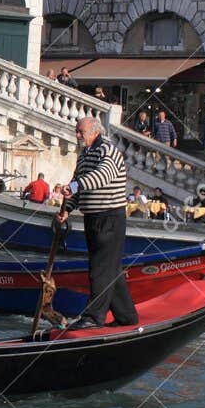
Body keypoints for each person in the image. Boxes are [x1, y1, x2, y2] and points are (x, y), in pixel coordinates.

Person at [64, 116, 138, 330]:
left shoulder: (108, 150)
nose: (77, 135)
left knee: (99, 269)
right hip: (93, 217)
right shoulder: (85, 154)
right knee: (110, 270)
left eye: (80, 132)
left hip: (109, 217)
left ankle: (94, 317)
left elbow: (102, 176)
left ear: (95, 132)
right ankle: (127, 316)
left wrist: (76, 187)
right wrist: (67, 209)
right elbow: (75, 184)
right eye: (77, 131)